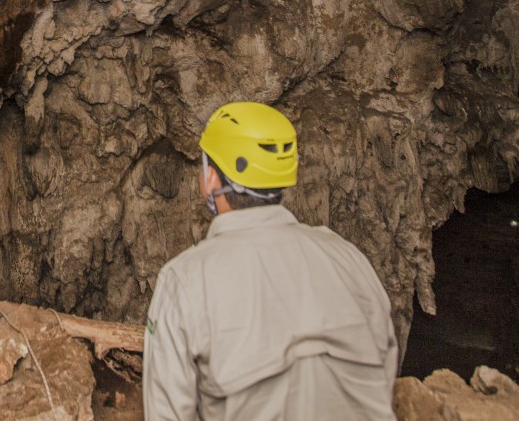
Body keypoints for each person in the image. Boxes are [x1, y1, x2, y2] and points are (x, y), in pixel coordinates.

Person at [144, 102, 398, 421]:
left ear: (210, 179)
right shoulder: (348, 257)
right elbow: (384, 369)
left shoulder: (184, 281)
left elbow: (167, 412)